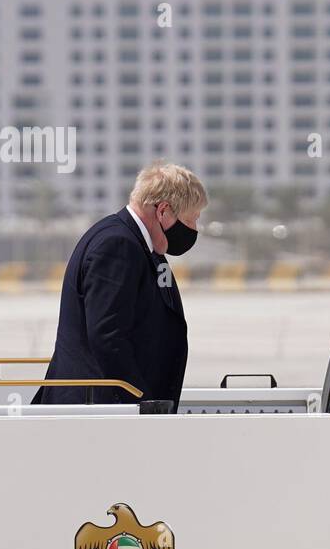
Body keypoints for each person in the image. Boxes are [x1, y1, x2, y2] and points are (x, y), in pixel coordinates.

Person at [32, 162, 207, 410]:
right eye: (192, 219)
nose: (193, 230)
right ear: (164, 211)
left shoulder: (143, 245)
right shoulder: (117, 245)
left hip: (113, 407)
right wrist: (140, 402)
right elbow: (108, 336)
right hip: (102, 410)